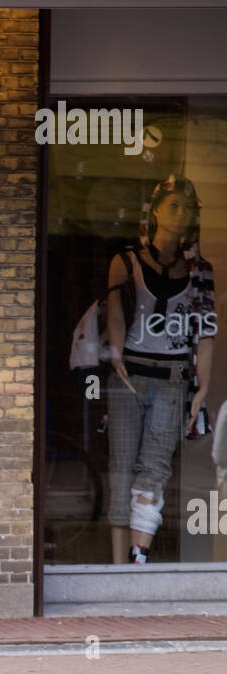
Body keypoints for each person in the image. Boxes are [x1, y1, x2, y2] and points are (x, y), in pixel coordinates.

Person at [106, 174, 217, 564]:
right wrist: (116, 354)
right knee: (121, 467)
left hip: (172, 379)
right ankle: (118, 567)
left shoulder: (199, 271)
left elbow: (205, 329)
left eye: (187, 207)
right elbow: (116, 312)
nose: (181, 213)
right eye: (173, 205)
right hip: (129, 374)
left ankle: (138, 560)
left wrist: (202, 388)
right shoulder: (126, 261)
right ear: (155, 211)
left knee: (154, 468)